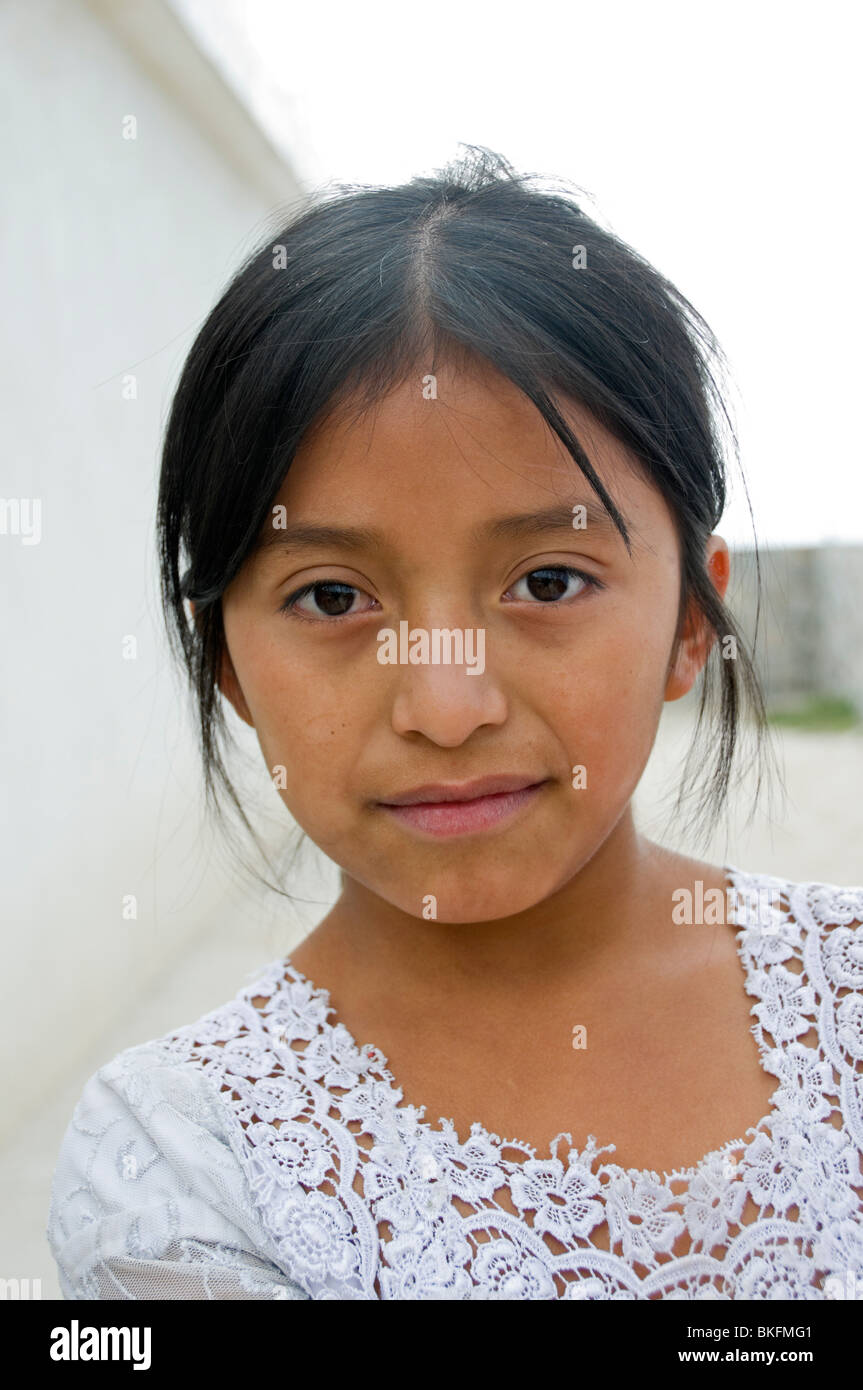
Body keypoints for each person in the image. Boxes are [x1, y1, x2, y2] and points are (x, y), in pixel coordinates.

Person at [47, 146, 863, 1300]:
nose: (444, 707)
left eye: (545, 581)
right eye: (332, 597)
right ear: (224, 660)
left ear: (690, 618)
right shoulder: (183, 1169)